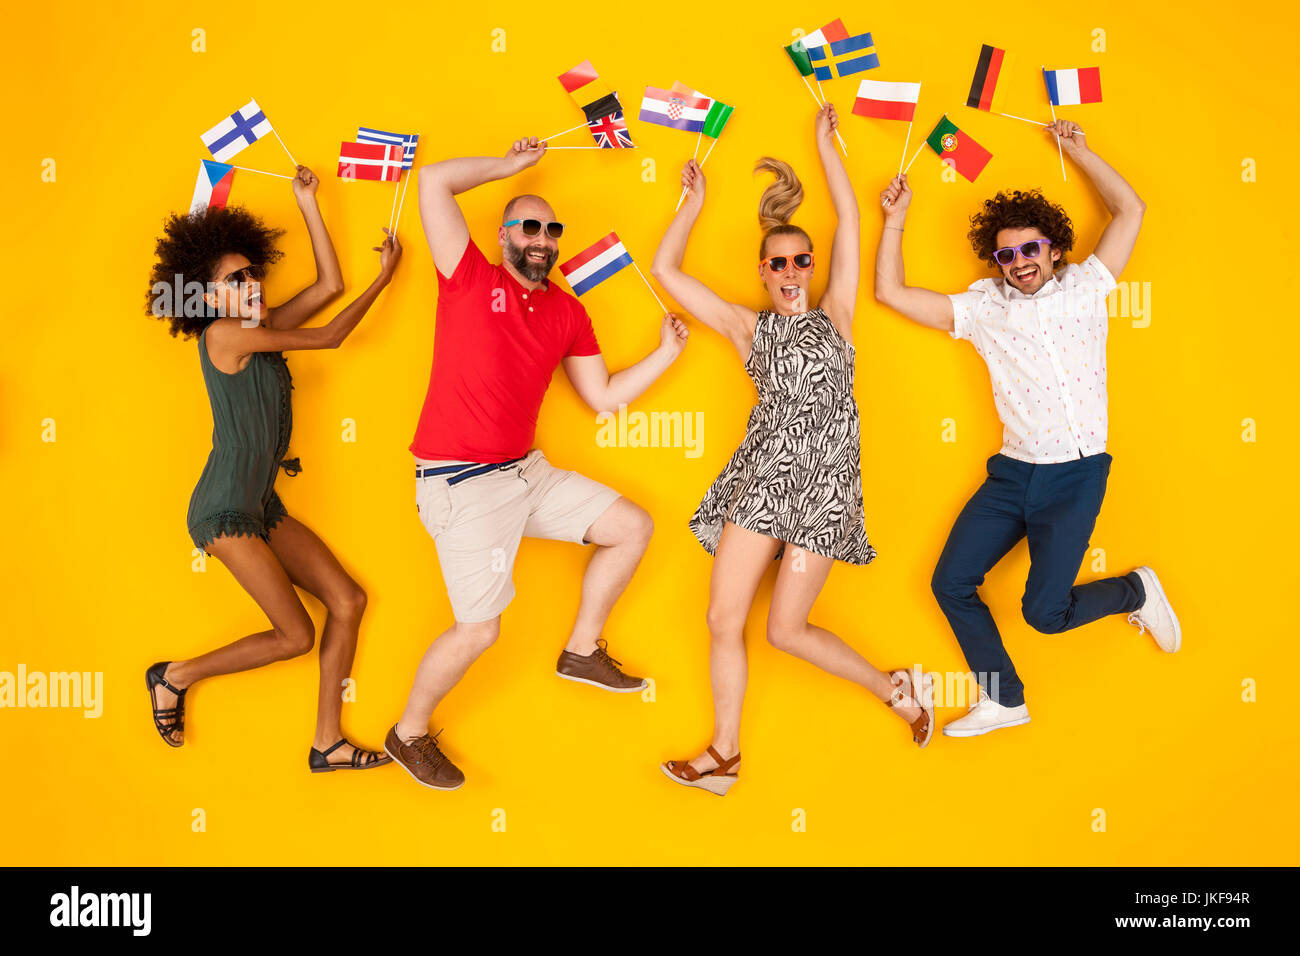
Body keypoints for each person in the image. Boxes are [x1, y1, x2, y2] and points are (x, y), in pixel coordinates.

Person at [386, 136, 690, 790]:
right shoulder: (468, 276)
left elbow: (603, 395)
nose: (543, 237)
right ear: (503, 236)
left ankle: (581, 650)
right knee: (480, 631)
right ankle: (407, 731)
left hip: (527, 473)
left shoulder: (567, 311)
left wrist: (667, 353)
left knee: (632, 527)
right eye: (530, 225)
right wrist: (507, 165)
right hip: (460, 484)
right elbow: (433, 181)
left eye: (552, 229)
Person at [650, 103, 936, 798]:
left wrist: (822, 141)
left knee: (785, 629)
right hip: (766, 486)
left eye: (800, 260)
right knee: (722, 617)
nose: (790, 270)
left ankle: (890, 686)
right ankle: (725, 754)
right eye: (778, 262)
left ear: (810, 266)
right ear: (763, 268)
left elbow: (851, 219)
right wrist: (693, 203)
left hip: (822, 496)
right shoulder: (747, 327)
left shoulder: (837, 313)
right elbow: (665, 268)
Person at [874, 119, 1180, 738]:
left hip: (1075, 474)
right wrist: (897, 219)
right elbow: (890, 293)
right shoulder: (983, 308)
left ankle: (1135, 592)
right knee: (950, 582)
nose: (1018, 263)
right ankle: (1004, 698)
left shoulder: (1087, 287)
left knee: (1044, 613)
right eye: (1006, 254)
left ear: (1054, 249)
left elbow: (1131, 208)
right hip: (1012, 475)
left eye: (1030, 249)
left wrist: (1082, 151)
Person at [143, 166, 402, 771]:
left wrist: (306, 202)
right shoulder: (226, 336)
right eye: (237, 278)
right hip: (226, 508)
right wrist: (385, 280)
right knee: (294, 635)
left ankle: (327, 742)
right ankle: (173, 675)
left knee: (348, 599)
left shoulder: (260, 328)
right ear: (209, 298)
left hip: (261, 504)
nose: (252, 282)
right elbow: (334, 334)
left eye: (254, 272)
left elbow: (330, 285)